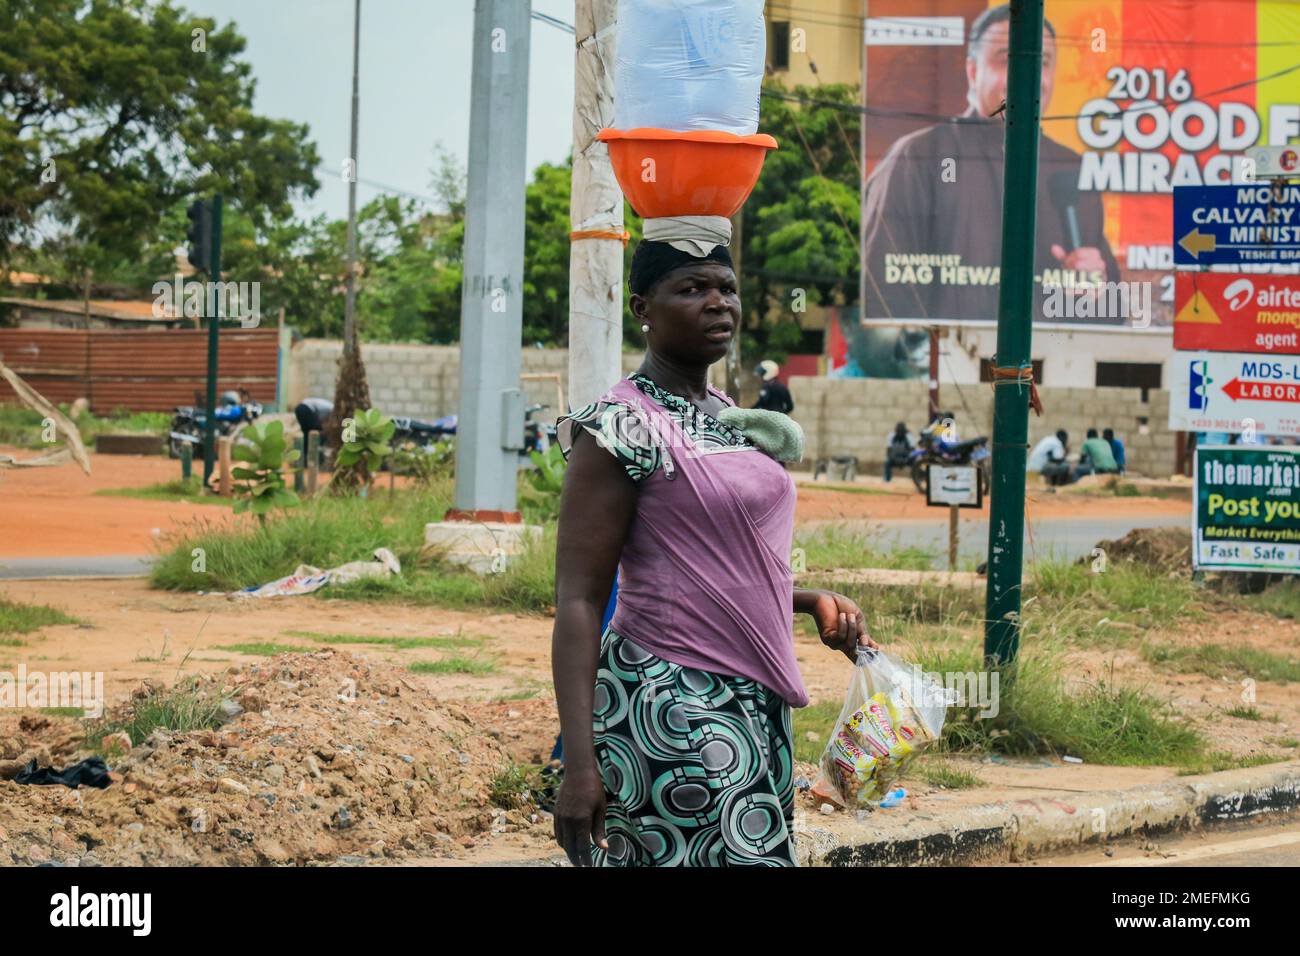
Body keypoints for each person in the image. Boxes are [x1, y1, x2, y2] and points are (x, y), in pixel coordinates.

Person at [550, 237, 876, 867]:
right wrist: (579, 766)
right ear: (644, 307)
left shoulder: (725, 415)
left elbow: (711, 564)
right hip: (668, 698)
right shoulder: (619, 426)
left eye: (726, 288)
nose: (717, 303)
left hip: (756, 700)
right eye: (692, 289)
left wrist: (806, 599)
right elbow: (579, 599)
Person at [861, 4, 1119, 323]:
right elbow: (881, 294)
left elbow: (1110, 315)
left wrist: (1094, 289)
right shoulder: (919, 156)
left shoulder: (1069, 169)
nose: (1028, 76)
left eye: (1043, 62)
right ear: (973, 71)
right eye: (1007, 60)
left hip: (1049, 367)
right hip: (949, 365)